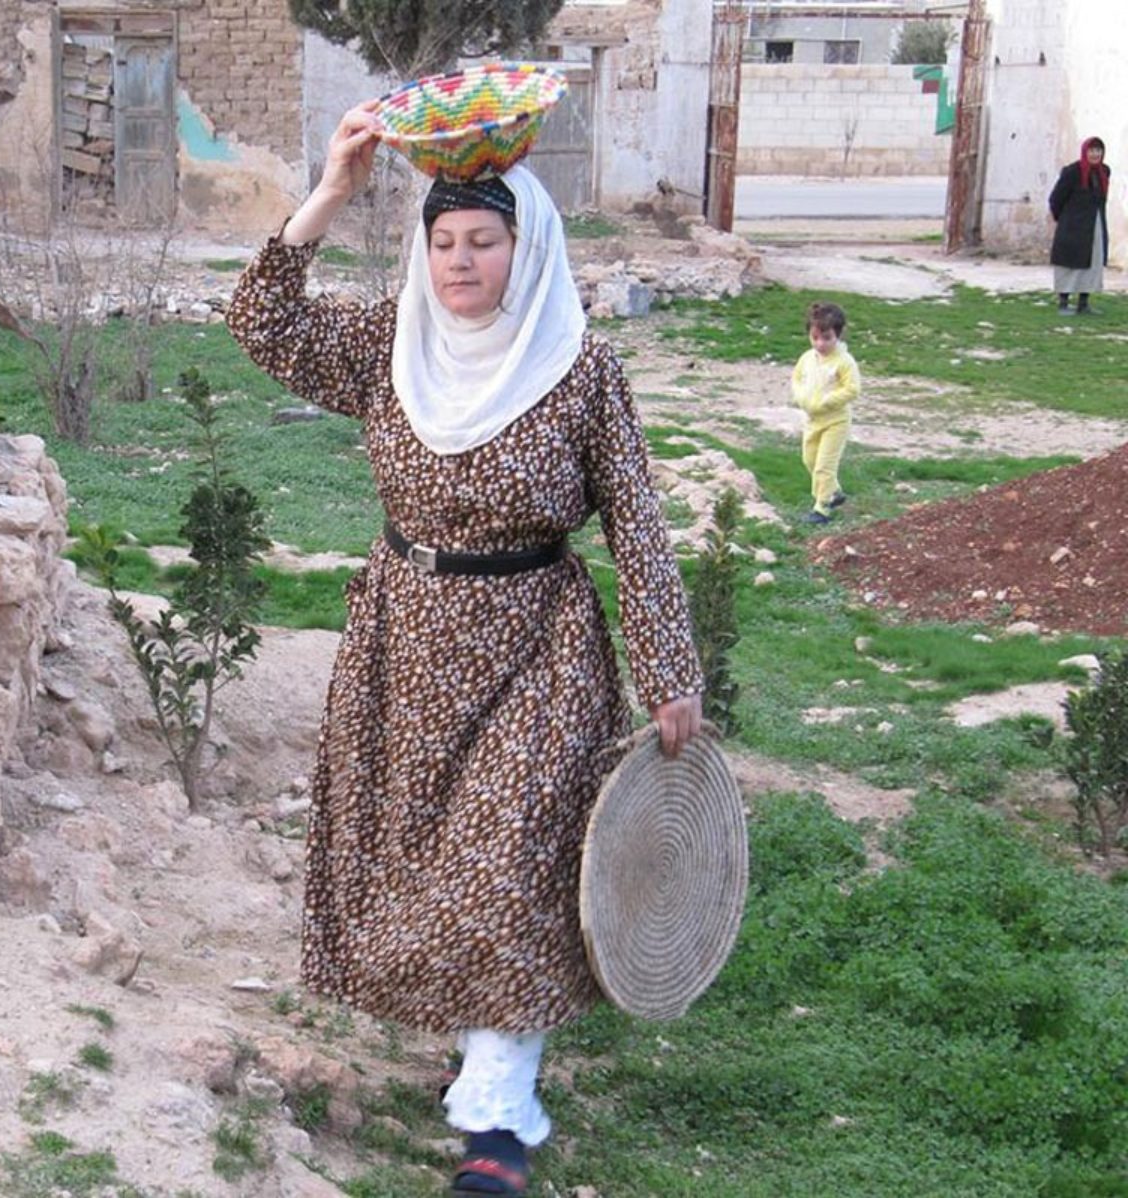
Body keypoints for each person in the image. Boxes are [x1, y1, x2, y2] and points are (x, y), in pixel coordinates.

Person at [226, 102, 703, 1196]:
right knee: (426, 867)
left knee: (512, 861)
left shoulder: (581, 374)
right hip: (405, 643)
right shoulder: (391, 346)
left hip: (537, 645)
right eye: (443, 240)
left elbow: (635, 521)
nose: (461, 261)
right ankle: (482, 1037)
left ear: (526, 246)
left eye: (483, 240)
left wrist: (669, 674)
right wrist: (336, 184)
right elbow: (259, 319)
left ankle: (497, 1121)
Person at [790, 300, 860, 526]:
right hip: (812, 420)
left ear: (837, 335)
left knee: (824, 466)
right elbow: (797, 378)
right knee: (809, 460)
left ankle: (822, 509)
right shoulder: (807, 358)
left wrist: (826, 402)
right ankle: (835, 492)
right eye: (815, 338)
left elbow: (852, 389)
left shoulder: (844, 361)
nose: (820, 344)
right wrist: (801, 397)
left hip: (835, 421)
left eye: (827, 338)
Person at [1049, 136, 1111, 316]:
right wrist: (1065, 219)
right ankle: (1064, 302)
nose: (1095, 154)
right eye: (1092, 150)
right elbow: (1056, 199)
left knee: (1092, 263)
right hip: (1073, 226)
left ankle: (1084, 303)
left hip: (1095, 224)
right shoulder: (1072, 172)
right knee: (1070, 264)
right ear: (1085, 151)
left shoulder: (1103, 172)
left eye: (1098, 150)